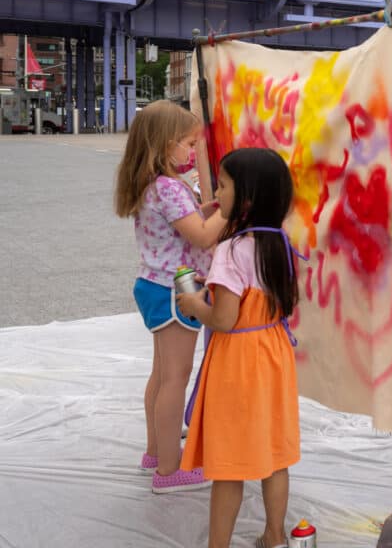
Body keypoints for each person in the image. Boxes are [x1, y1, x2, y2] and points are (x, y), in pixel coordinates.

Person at [176, 147, 302, 548]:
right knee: (274, 455)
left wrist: (196, 303)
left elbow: (224, 319)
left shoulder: (231, 248)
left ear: (245, 198)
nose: (216, 190)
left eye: (224, 183)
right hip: (274, 354)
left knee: (229, 464)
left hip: (239, 361)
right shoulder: (280, 240)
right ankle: (275, 536)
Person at [113, 100, 226, 493]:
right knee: (175, 379)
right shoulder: (169, 188)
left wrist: (204, 207)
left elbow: (188, 222)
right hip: (178, 288)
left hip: (153, 284)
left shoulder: (152, 185)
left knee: (162, 376)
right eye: (187, 144)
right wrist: (227, 211)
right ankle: (170, 471)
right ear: (163, 145)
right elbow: (202, 235)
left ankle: (154, 453)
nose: (192, 152)